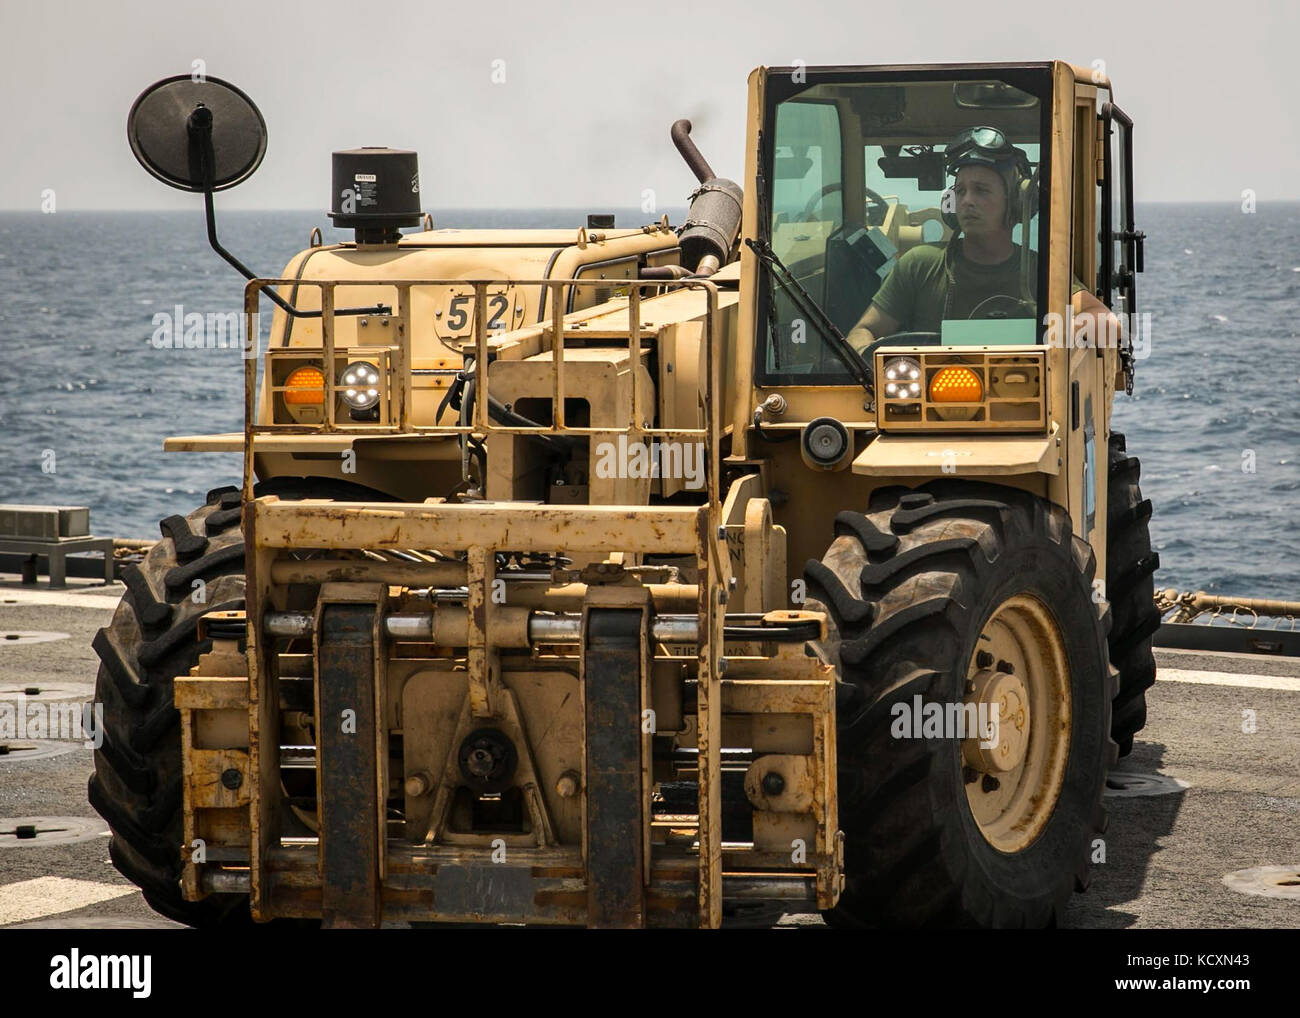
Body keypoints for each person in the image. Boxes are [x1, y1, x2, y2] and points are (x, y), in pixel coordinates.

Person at [846, 126, 1118, 352]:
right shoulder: (919, 265)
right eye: (961, 191)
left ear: (1016, 202)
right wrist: (867, 354)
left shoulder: (1041, 273)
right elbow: (863, 331)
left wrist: (1053, 334)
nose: (967, 202)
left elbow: (1108, 324)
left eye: (981, 190)